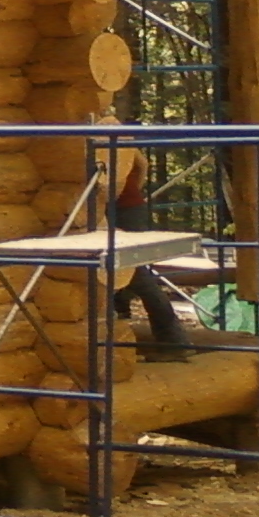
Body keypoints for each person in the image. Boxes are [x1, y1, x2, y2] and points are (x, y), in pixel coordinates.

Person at [112, 144, 193, 361]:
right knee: (116, 273)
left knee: (135, 273)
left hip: (123, 208)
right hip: (122, 206)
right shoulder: (102, 129)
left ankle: (174, 342)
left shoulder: (106, 129)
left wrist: (125, 191)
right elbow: (142, 164)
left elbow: (140, 163)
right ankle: (119, 332)